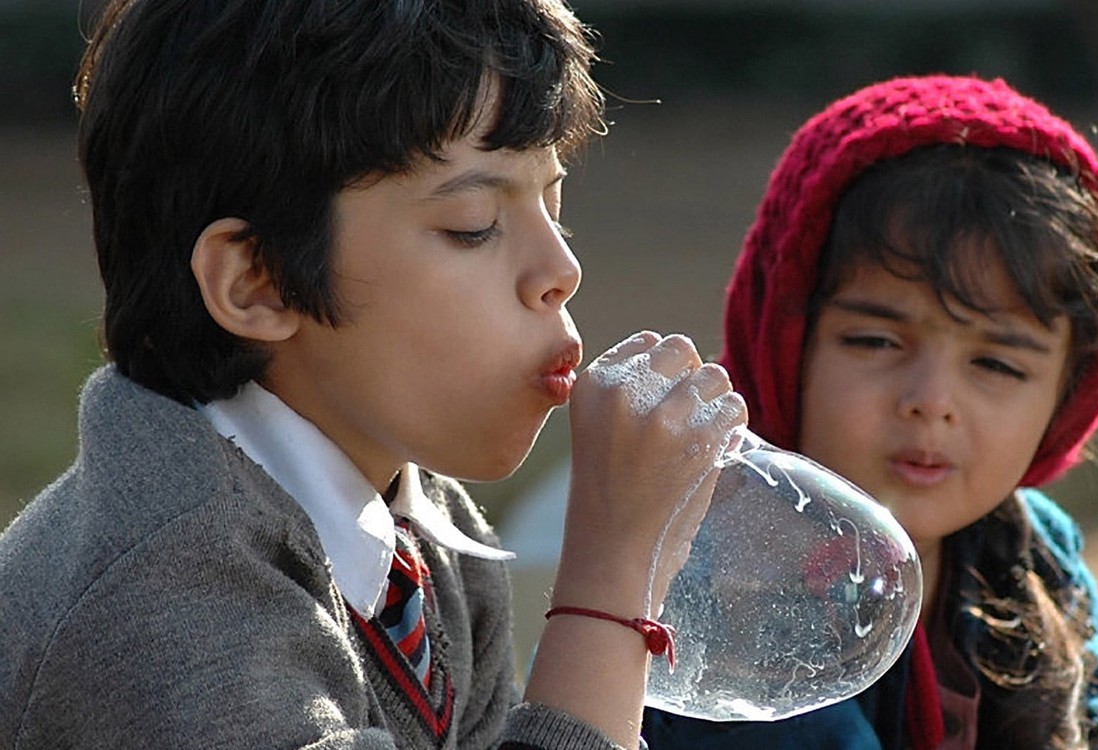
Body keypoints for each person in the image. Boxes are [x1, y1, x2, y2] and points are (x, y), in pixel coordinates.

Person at [0, 0, 745, 748]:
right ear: (258, 282)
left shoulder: (430, 538)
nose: (562, 269)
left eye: (555, 205)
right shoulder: (162, 607)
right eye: (474, 225)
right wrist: (610, 584)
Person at [642, 75, 1098, 749]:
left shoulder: (1034, 560)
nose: (931, 402)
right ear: (783, 344)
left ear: (1070, 392)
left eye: (996, 364)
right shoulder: (707, 580)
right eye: (875, 341)